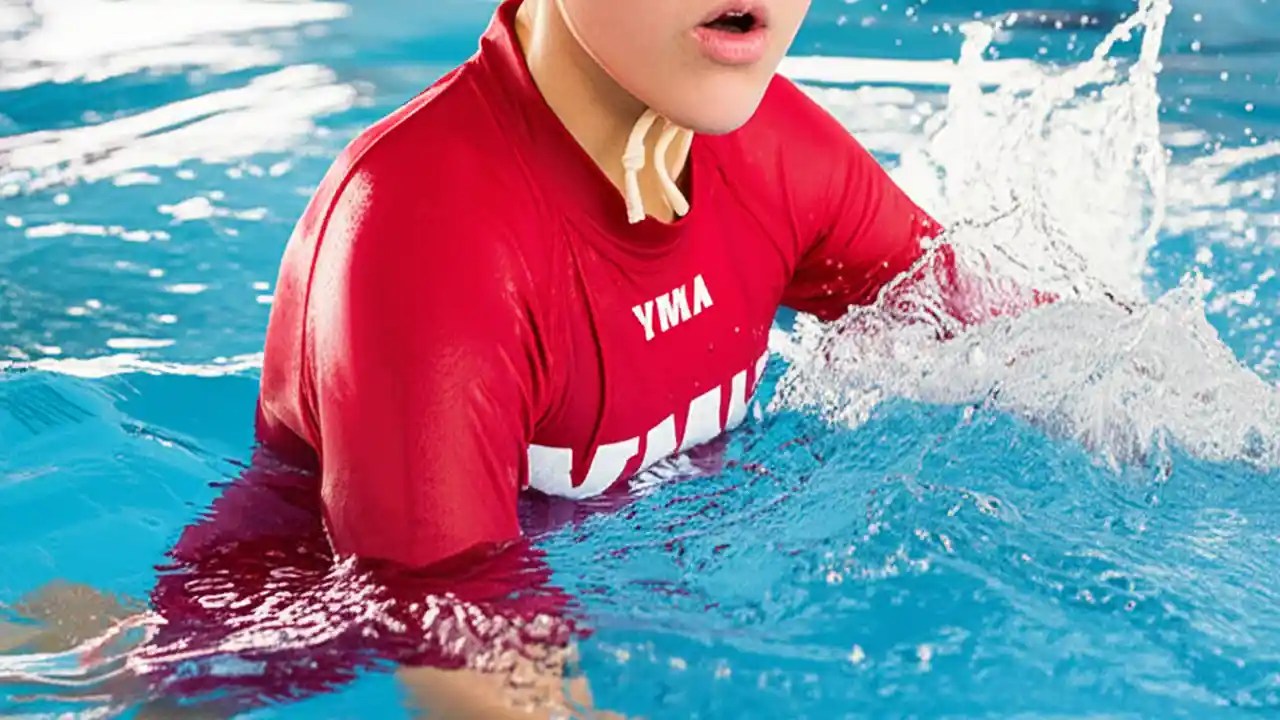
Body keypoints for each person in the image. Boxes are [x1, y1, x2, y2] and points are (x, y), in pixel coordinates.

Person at [2, 0, 1047, 716]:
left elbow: (1040, 342)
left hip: (612, 574)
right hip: (327, 604)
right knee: (156, 691)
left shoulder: (776, 155)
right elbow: (454, 629)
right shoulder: (425, 227)